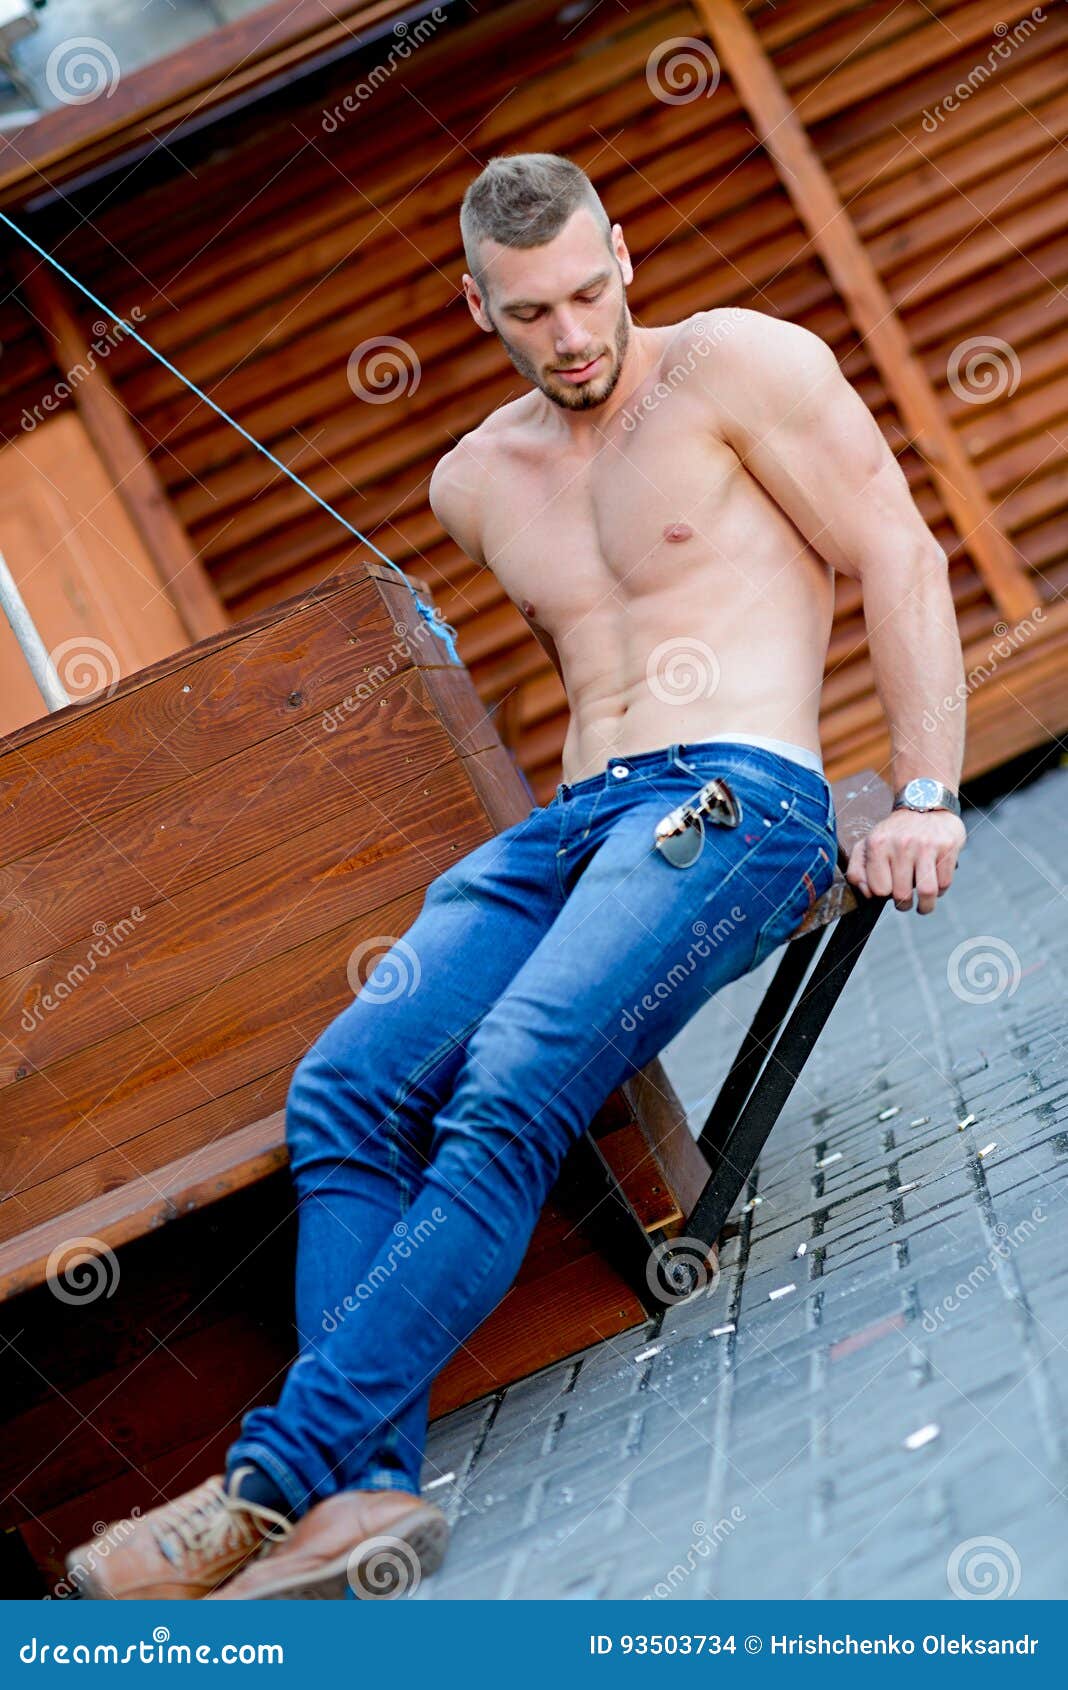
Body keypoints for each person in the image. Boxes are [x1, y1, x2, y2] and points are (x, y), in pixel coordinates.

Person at [66, 152, 967, 1601]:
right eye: (531, 310)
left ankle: (263, 1484)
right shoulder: (474, 483)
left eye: (589, 292)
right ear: (473, 304)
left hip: (737, 797)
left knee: (517, 1067)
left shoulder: (737, 365)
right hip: (579, 828)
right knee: (347, 1089)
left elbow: (900, 554)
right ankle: (360, 1500)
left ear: (624, 253)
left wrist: (927, 793)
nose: (572, 334)